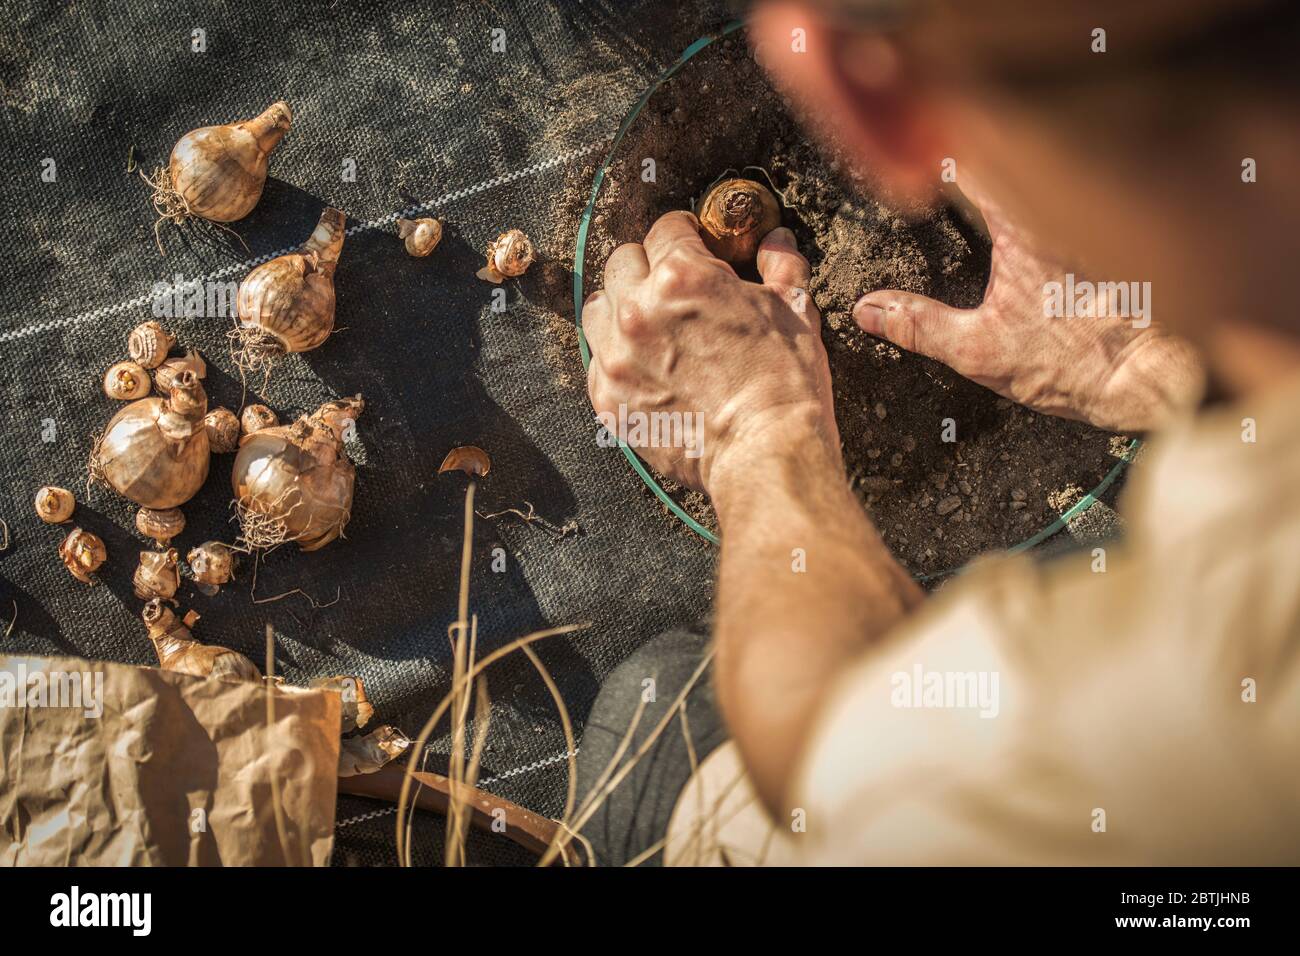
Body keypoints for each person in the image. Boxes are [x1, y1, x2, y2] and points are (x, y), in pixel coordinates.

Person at [574, 0, 1300, 865]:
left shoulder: (1170, 705)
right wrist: (1148, 370)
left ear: (866, 94)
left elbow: (839, 752)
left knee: (653, 714)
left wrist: (757, 431)